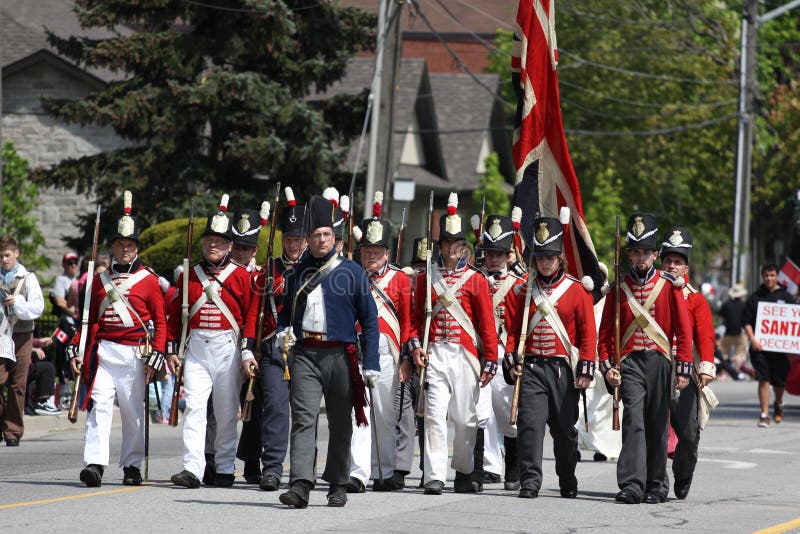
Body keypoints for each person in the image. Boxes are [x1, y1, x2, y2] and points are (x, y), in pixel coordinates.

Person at [276, 194, 380, 509]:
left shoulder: (352, 272)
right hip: (306, 353)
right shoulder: (296, 273)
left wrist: (371, 363)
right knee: (304, 418)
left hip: (341, 355)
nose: (321, 240)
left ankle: (337, 483)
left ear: (335, 239)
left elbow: (370, 320)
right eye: (316, 235)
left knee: (340, 421)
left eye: (326, 235)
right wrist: (283, 331)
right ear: (308, 239)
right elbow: (285, 312)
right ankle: (300, 484)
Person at [68, 192, 167, 486]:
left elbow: (160, 322)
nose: (125, 249)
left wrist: (158, 352)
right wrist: (77, 345)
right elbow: (89, 320)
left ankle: (132, 466)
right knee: (99, 404)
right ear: (113, 246)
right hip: (104, 352)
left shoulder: (148, 280)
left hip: (134, 353)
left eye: (130, 244)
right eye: (121, 244)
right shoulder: (99, 281)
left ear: (136, 247)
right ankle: (95, 463)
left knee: (133, 411)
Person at [598, 213, 692, 505]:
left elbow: (682, 329)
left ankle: (656, 484)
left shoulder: (668, 286)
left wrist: (684, 367)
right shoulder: (618, 288)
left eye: (646, 252)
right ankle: (631, 484)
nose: (640, 257)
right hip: (630, 363)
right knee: (634, 422)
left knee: (656, 424)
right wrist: (608, 367)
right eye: (635, 252)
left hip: (660, 361)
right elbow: (605, 337)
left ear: (655, 254)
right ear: (629, 254)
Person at [408, 193, 498, 496]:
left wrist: (491, 359)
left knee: (464, 419)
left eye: (457, 244)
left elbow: (487, 324)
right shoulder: (427, 277)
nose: (450, 249)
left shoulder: (475, 280)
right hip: (435, 353)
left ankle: (462, 468)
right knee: (433, 416)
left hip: (466, 357)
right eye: (446, 243)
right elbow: (415, 318)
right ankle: (434, 475)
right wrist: (415, 346)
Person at [503, 213, 597, 499]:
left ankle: (567, 476)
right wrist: (510, 357)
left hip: (561, 369)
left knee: (564, 431)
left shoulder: (577, 290)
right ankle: (530, 481)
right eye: (541, 257)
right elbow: (513, 329)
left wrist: (585, 368)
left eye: (550, 257)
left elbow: (587, 333)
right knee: (530, 426)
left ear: (560, 259)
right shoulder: (524, 289)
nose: (545, 262)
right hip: (531, 367)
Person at [167, 194, 256, 489]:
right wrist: (171, 349)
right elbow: (173, 315)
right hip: (196, 349)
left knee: (226, 409)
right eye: (208, 240)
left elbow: (250, 317)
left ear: (231, 245)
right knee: (193, 407)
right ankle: (192, 468)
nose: (213, 245)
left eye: (219, 241)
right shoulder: (189, 275)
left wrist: (246, 351)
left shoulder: (242, 276)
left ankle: (226, 467)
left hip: (227, 347)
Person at [347, 192, 413, 492]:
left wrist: (406, 359)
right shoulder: (351, 277)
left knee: (385, 415)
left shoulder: (400, 280)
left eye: (377, 251)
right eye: (367, 251)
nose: (371, 256)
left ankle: (385, 471)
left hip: (388, 352)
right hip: (356, 351)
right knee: (358, 412)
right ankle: (359, 473)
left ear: (387, 253)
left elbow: (409, 322)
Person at [252, 188, 307, 492]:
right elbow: (255, 312)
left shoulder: (316, 269)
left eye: (298, 240)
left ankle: (301, 470)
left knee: (303, 412)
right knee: (274, 408)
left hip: (306, 349)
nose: (293, 244)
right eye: (288, 239)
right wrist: (251, 347)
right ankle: (271, 468)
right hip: (274, 348)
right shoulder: (268, 271)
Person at [659, 226, 716, 500]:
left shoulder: (696, 299)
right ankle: (653, 481)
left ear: (686, 267)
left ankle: (682, 473)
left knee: (689, 433)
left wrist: (705, 367)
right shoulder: (651, 292)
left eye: (677, 262)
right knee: (651, 427)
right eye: (668, 261)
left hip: (683, 370)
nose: (672, 266)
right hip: (655, 364)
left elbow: (704, 336)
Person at [475, 214, 525, 490]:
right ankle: (488, 467)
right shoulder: (474, 279)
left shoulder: (519, 284)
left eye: (499, 254)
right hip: (481, 352)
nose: (493, 259)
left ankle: (513, 468)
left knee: (507, 411)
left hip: (505, 351)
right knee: (481, 412)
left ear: (508, 255)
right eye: (490, 254)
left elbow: (521, 323)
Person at [0, 235, 45, 446]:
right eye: (0, 256)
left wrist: (18, 302)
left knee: (18, 384)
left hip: (22, 335)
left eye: (7, 255)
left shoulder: (28, 278)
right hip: (1, 335)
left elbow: (37, 308)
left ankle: (13, 431)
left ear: (16, 254)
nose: (4, 260)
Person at [743, 263, 795, 427]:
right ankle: (764, 414)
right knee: (763, 379)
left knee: (779, 382)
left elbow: (795, 322)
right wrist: (753, 339)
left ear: (777, 276)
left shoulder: (786, 297)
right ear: (762, 276)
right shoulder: (756, 297)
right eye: (766, 276)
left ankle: (778, 403)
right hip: (760, 348)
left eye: (772, 275)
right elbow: (746, 321)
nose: (769, 278)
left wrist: (792, 347)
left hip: (780, 349)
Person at [719, 284, 748, 375]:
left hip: (728, 332)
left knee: (724, 353)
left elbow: (721, 314)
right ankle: (737, 371)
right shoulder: (744, 305)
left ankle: (723, 371)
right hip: (740, 332)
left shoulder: (726, 304)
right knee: (740, 353)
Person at [29, 336, 59, 415]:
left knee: (46, 367)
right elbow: (16, 342)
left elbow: (25, 340)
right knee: (48, 368)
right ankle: (43, 402)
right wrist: (33, 349)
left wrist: (39, 342)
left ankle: (44, 402)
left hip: (24, 365)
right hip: (17, 366)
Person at [51, 252, 79, 317]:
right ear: (63, 265)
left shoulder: (78, 279)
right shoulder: (60, 280)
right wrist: (75, 314)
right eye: (70, 263)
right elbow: (60, 302)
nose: (73, 265)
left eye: (75, 262)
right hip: (67, 319)